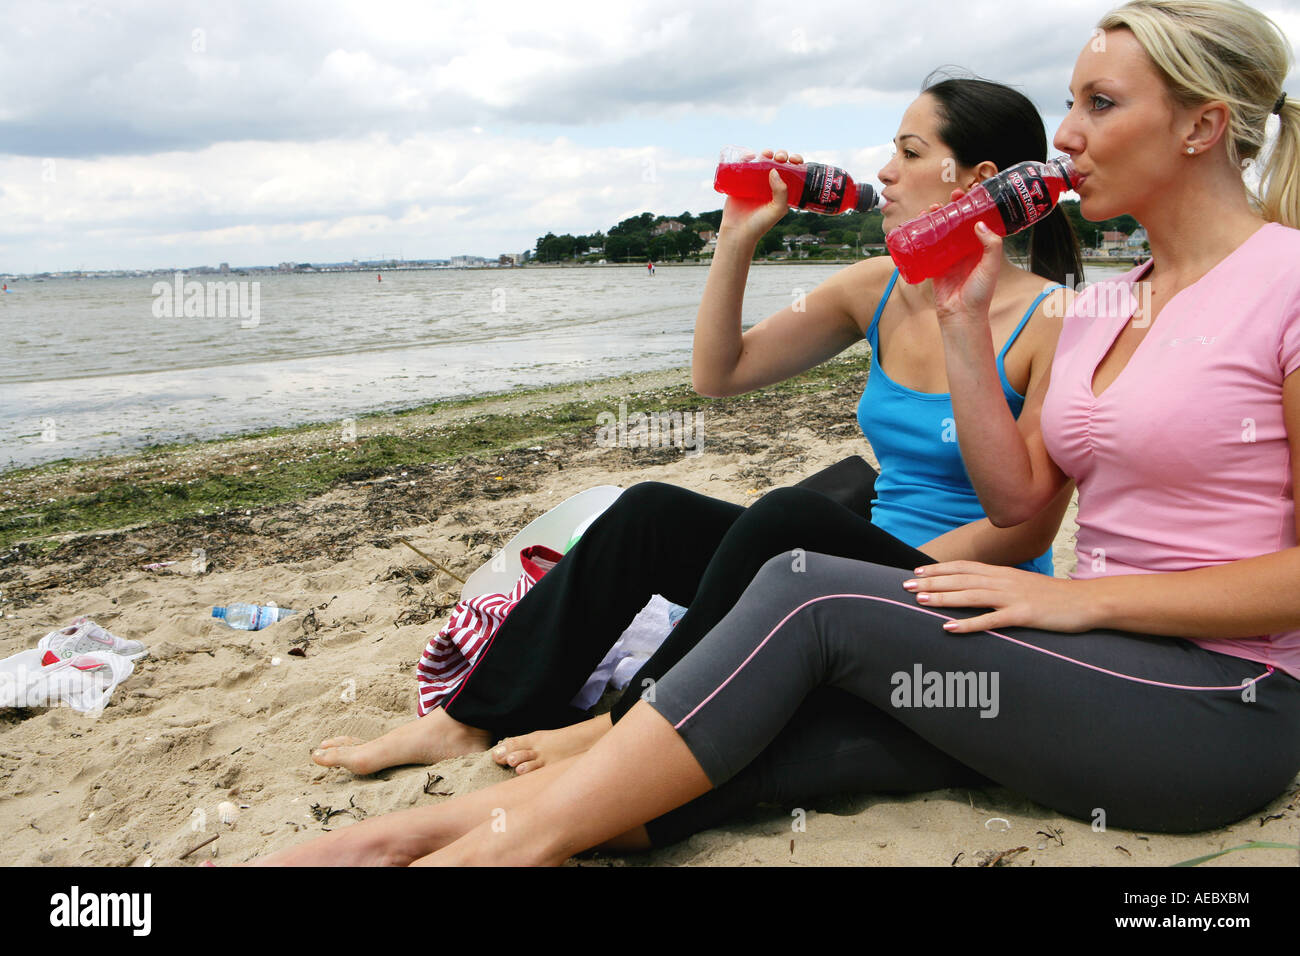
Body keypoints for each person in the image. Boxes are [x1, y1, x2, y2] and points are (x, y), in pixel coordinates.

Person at [359, 0, 1296, 864]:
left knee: (804, 583)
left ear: (1202, 124)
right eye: (1067, 101)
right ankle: (432, 831)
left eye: (1100, 102)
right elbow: (1021, 499)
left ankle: (515, 832)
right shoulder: (1102, 307)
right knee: (778, 735)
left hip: (1227, 701)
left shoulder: (1278, 285)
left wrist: (1086, 603)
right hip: (1085, 661)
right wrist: (962, 323)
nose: (1067, 136)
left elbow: (1031, 542)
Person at [308, 75, 1080, 787]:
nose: (883, 171)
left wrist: (860, 571)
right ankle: (468, 719)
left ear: (978, 184)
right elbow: (720, 373)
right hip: (861, 560)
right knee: (647, 513)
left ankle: (626, 722)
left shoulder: (1052, 320)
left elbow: (1024, 529)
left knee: (786, 523)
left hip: (968, 594)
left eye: (910, 153)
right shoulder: (876, 289)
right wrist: (739, 235)